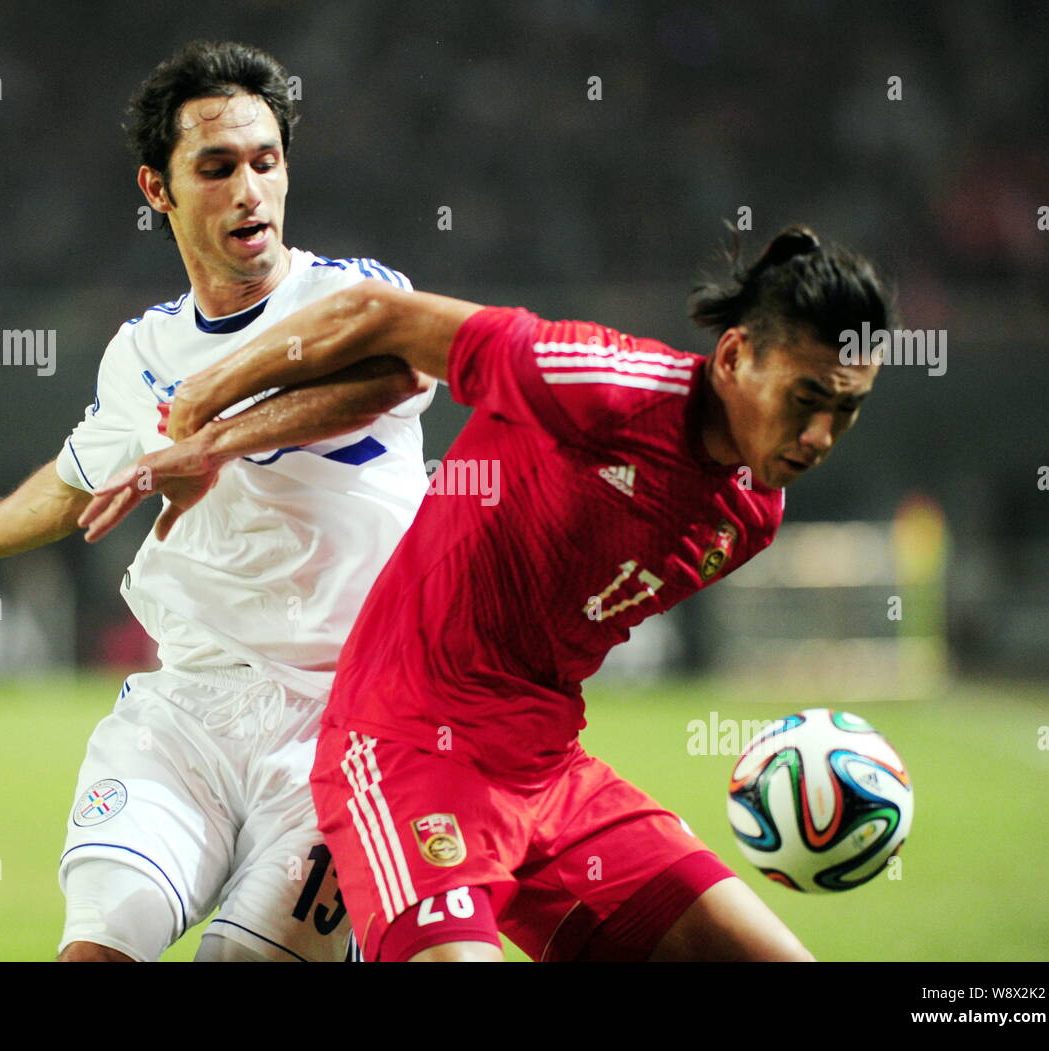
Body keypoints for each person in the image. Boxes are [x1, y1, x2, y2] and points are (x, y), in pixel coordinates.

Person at [80, 224, 891, 962]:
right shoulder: (600, 383)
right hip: (403, 748)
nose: (820, 437)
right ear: (733, 357)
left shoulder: (752, 513)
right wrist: (205, 408)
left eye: (846, 412)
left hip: (547, 770)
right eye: (806, 400)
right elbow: (376, 312)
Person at [0, 40, 434, 963]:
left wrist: (216, 434)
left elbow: (407, 368)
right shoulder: (141, 352)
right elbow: (70, 483)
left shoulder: (355, 294)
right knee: (98, 947)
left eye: (265, 162)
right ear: (158, 189)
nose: (249, 189)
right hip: (188, 712)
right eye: (216, 168)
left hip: (354, 726)